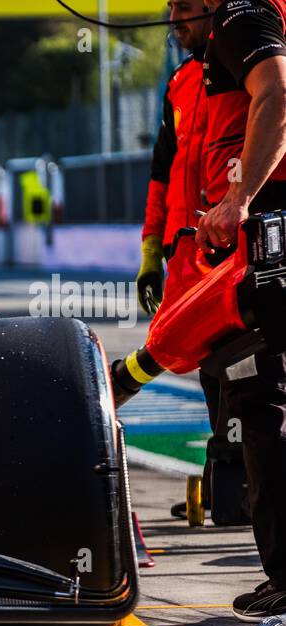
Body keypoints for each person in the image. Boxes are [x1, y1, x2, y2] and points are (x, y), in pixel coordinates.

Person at [184, 0, 286, 626]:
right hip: (255, 235)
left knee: (266, 397)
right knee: (259, 397)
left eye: (179, 8)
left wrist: (241, 196)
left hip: (270, 225)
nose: (173, 20)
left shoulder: (240, 12)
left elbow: (276, 89)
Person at [138, 1, 229, 521]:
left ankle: (241, 480)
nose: (175, 20)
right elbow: (161, 171)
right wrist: (152, 252)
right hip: (186, 250)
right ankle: (228, 478)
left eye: (187, 9)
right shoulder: (179, 82)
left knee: (250, 371)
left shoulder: (252, 65)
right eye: (171, 7)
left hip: (234, 243)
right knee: (211, 371)